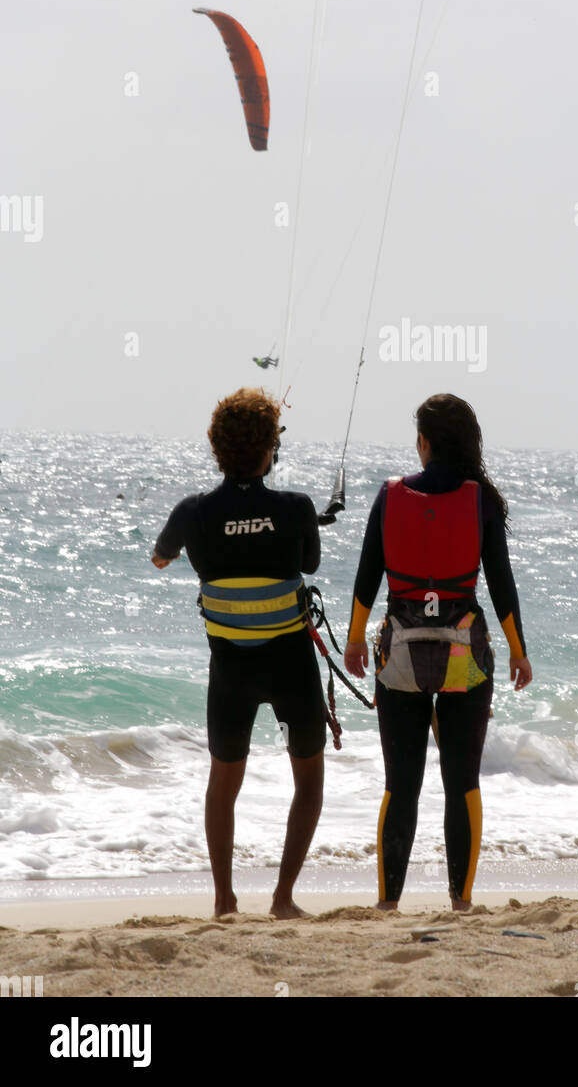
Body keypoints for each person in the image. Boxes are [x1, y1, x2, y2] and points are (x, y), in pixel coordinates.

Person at [344, 393, 532, 912]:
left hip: (399, 655)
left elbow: (366, 578)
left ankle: (387, 903)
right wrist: (519, 652)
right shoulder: (481, 502)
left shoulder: (388, 496)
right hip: (464, 659)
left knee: (400, 784)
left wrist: (356, 638)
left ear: (424, 443)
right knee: (461, 783)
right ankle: (462, 902)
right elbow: (501, 585)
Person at [151, 387, 325, 919]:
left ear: (216, 449)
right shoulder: (296, 509)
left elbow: (159, 560)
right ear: (271, 448)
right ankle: (282, 899)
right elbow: (311, 566)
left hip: (231, 668)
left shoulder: (193, 512)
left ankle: (224, 900)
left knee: (223, 782)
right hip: (291, 663)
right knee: (310, 780)